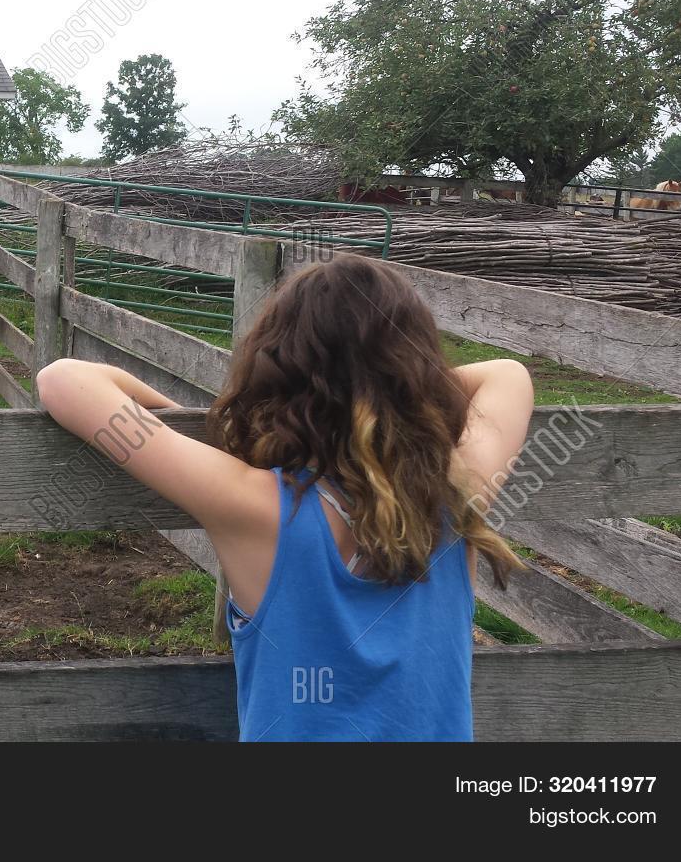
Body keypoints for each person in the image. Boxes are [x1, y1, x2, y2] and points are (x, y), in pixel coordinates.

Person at [36, 254, 532, 741]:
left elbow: (61, 380)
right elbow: (509, 375)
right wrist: (396, 388)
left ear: (274, 370)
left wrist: (184, 420)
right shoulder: (460, 490)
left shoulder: (252, 504)